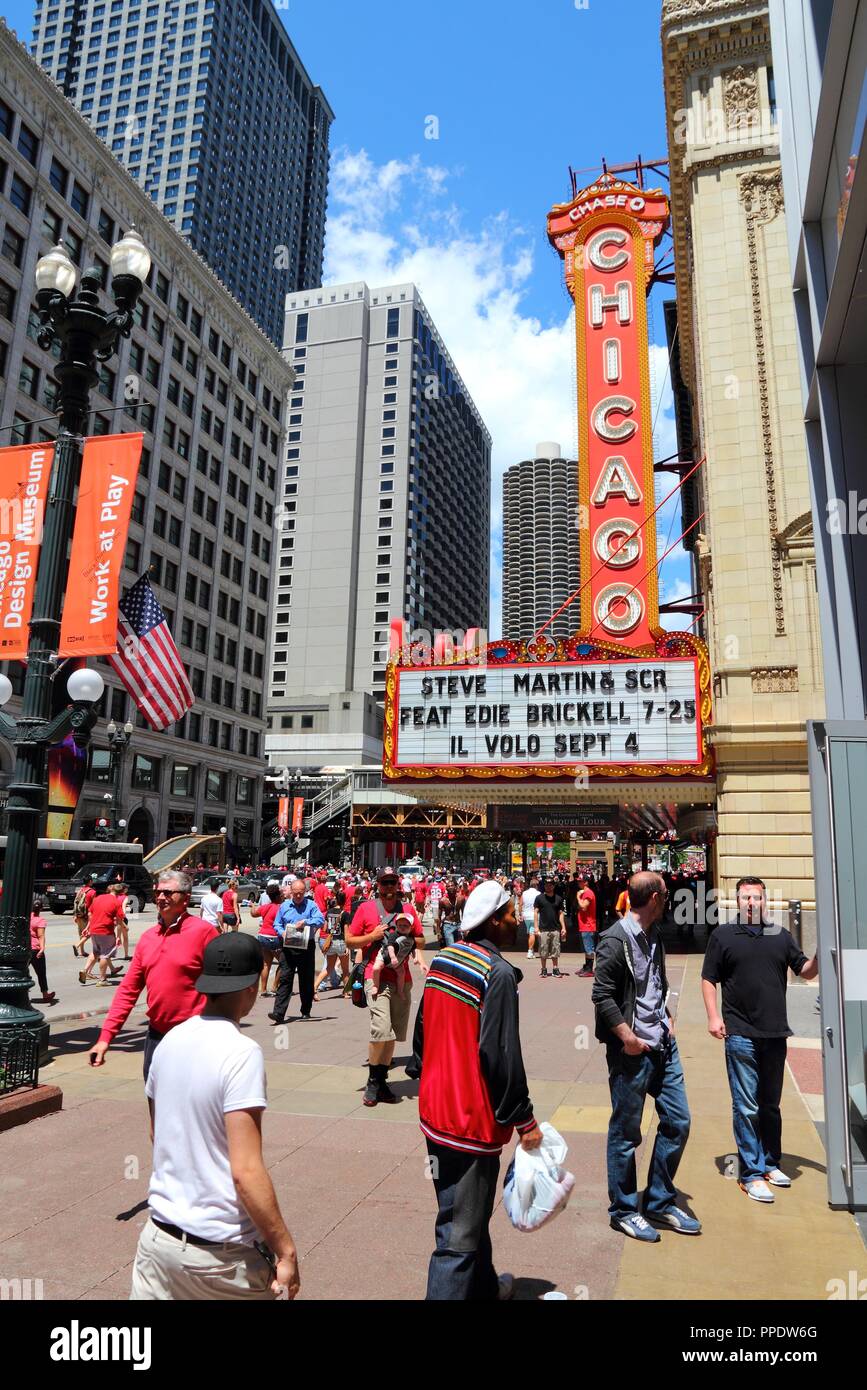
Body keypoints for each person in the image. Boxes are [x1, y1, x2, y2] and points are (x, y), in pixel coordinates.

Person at [130, 933, 300, 1301]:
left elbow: (157, 1134)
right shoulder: (241, 1053)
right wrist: (284, 1249)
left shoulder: (169, 1041)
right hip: (219, 1257)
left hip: (159, 1239)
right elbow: (246, 1171)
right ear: (252, 987)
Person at [411, 880, 542, 1300]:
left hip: (436, 1111)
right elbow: (501, 1055)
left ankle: (484, 1290)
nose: (516, 921)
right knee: (458, 1238)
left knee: (465, 1214)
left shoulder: (444, 958)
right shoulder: (497, 973)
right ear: (491, 923)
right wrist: (525, 1120)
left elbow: (421, 1036)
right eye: (509, 915)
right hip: (472, 1120)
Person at [592, 871, 699, 1241]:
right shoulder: (613, 940)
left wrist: (666, 1016)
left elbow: (655, 981)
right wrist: (627, 1037)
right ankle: (623, 1209)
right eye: (666, 894)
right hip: (632, 1052)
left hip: (664, 1046)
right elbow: (602, 995)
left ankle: (658, 1201)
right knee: (625, 1132)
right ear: (654, 897)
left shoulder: (655, 935)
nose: (669, 899)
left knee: (678, 1121)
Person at [701, 876, 818, 1203]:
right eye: (745, 898)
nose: (751, 903)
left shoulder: (780, 936)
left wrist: (822, 954)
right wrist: (713, 1016)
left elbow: (805, 970)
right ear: (737, 902)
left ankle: (769, 1162)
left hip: (775, 1034)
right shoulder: (723, 936)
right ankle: (750, 1173)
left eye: (756, 898)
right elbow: (709, 979)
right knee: (747, 1105)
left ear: (766, 901)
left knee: (770, 1105)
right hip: (740, 1033)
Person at [89, 871, 219, 1079]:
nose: (160, 897)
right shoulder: (148, 938)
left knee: (192, 1106)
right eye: (157, 892)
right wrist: (106, 1038)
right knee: (155, 1100)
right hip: (157, 1036)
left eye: (168, 893)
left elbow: (223, 987)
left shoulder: (204, 933)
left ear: (185, 898)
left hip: (195, 1039)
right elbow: (128, 990)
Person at [345, 866, 426, 1106]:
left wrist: (409, 938)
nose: (389, 887)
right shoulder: (365, 908)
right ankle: (373, 1081)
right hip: (375, 976)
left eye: (392, 882)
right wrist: (372, 936)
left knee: (392, 1034)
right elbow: (350, 941)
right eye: (385, 883)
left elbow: (421, 940)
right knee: (381, 1029)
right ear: (377, 885)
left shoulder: (408, 910)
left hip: (402, 980)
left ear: (398, 885)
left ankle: (381, 1080)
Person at [267, 877, 324, 1024]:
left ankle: (306, 1010)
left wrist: (306, 922)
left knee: (306, 979)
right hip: (288, 947)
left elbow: (320, 920)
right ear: (291, 892)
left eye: (301, 893)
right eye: (296, 893)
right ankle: (278, 1013)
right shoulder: (284, 906)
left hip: (306, 946)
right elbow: (277, 924)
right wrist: (282, 932)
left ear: (305, 892)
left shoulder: (311, 905)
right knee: (285, 978)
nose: (298, 896)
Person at [79, 883, 126, 987]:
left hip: (94, 930)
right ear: (119, 894)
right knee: (105, 954)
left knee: (96, 952)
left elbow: (90, 913)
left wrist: (87, 928)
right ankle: (102, 979)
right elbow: (119, 921)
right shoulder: (116, 902)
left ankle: (85, 970)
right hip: (105, 931)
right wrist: (118, 936)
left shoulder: (98, 898)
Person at [250, 883, 282, 998]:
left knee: (265, 964)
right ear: (278, 895)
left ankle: (263, 989)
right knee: (283, 963)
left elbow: (254, 914)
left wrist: (252, 905)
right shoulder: (281, 907)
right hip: (275, 937)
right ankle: (274, 987)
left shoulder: (266, 906)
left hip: (263, 936)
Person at [533, 876, 567, 978]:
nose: (548, 887)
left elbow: (561, 914)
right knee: (543, 950)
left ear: (554, 886)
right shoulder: (539, 898)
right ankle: (543, 969)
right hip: (543, 928)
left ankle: (555, 969)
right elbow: (535, 912)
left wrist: (563, 927)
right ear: (544, 886)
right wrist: (536, 927)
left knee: (555, 950)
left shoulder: (559, 899)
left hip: (555, 928)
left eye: (550, 885)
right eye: (547, 885)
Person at [29, 895, 56, 1005]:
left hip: (25, 949)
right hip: (35, 949)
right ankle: (45, 995)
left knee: (22, 973)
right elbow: (41, 936)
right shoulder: (40, 921)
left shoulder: (28, 917)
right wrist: (42, 948)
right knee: (41, 973)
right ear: (41, 908)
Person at [576, 876, 597, 977]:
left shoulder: (588, 893)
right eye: (579, 881)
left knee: (589, 948)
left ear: (586, 882)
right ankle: (586, 966)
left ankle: (589, 969)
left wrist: (578, 897)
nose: (579, 883)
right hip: (584, 925)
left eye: (581, 881)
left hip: (588, 925)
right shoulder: (585, 893)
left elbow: (584, 907)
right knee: (587, 947)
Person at [521, 874, 540, 958]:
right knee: (533, 933)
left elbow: (520, 904)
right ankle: (530, 951)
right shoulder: (538, 893)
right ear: (536, 885)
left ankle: (532, 951)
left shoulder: (524, 893)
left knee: (531, 932)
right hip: (534, 915)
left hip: (526, 915)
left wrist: (520, 914)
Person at [114, 881, 131, 960]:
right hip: (121, 918)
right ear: (124, 889)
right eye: (126, 888)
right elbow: (123, 908)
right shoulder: (125, 897)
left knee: (115, 937)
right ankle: (126, 954)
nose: (127, 889)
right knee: (125, 937)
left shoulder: (114, 896)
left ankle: (107, 955)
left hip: (113, 918)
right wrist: (123, 918)